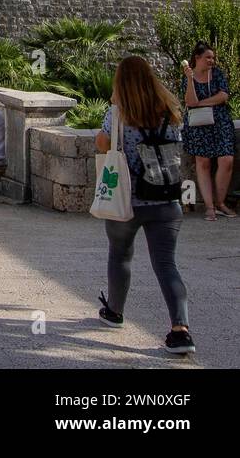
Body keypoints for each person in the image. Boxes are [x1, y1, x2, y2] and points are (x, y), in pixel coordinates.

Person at [95, 55, 195, 354]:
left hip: (127, 199)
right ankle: (180, 330)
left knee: (120, 254)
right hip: (166, 198)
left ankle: (114, 311)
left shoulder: (118, 114)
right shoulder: (170, 113)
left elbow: (102, 144)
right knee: (166, 264)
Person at [181, 42, 237, 220]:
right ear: (197, 58)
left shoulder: (218, 74)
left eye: (212, 57)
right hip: (199, 125)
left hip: (220, 122)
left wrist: (201, 103)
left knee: (226, 159)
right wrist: (190, 79)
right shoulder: (187, 77)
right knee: (203, 162)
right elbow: (190, 101)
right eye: (208, 57)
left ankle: (221, 202)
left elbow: (223, 95)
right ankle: (210, 206)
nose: (211, 61)